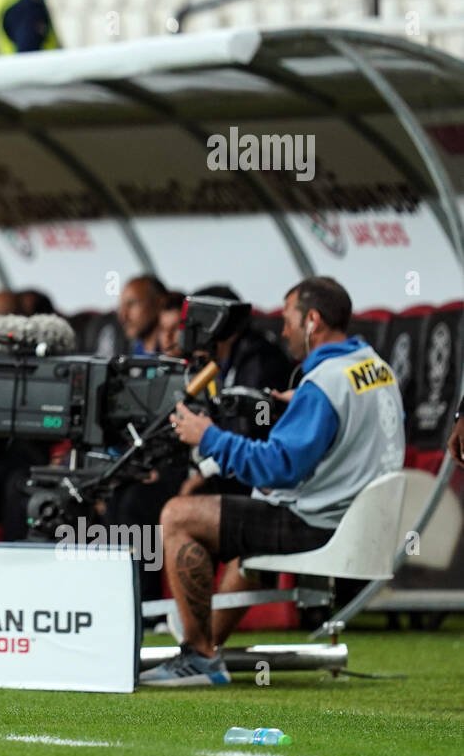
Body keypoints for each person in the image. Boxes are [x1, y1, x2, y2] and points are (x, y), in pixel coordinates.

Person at [142, 276, 405, 686]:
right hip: (360, 520)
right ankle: (208, 648)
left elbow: (278, 466)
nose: (282, 330)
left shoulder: (324, 384)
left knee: (178, 516)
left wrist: (208, 436)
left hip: (320, 524)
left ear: (313, 321)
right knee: (241, 529)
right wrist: (298, 408)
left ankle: (197, 655)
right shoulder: (374, 366)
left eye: (288, 320)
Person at [118, 273, 166, 355]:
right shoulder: (135, 350)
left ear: (158, 303)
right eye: (121, 306)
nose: (123, 316)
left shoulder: (173, 353)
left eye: (132, 304)